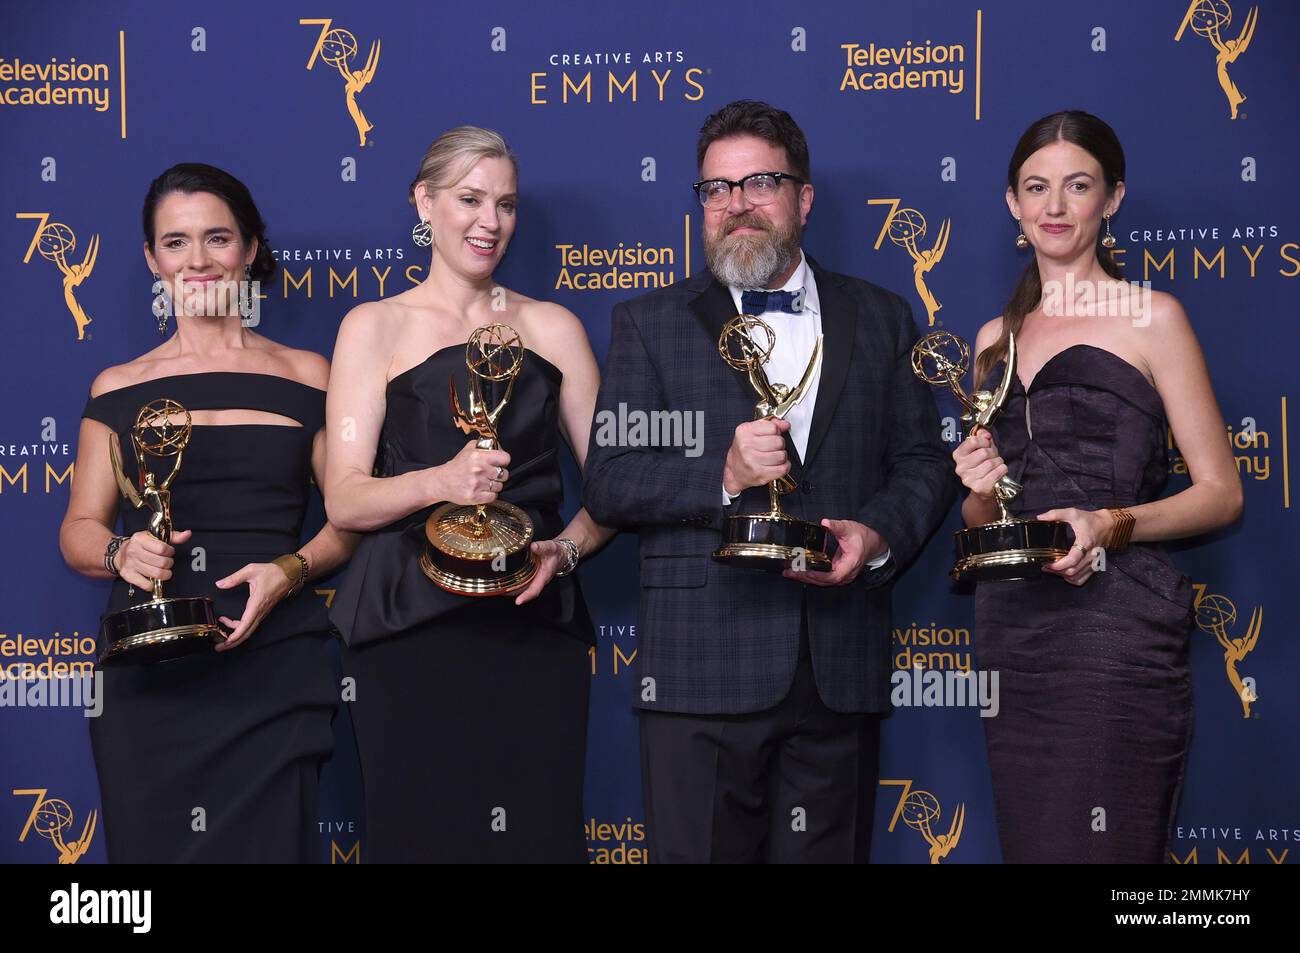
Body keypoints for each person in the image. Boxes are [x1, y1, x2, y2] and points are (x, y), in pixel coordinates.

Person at [582, 100, 956, 863]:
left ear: (804, 198)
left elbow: (923, 462)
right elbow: (610, 481)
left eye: (760, 182)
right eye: (716, 190)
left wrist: (876, 533)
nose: (736, 205)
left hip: (837, 668)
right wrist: (718, 474)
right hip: (700, 673)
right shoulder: (648, 322)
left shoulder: (883, 317)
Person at [954, 110, 1244, 863]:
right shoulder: (992, 339)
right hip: (1011, 630)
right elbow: (984, 518)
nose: (1054, 207)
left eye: (1076, 186)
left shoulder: (1154, 318)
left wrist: (1106, 522)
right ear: (1012, 203)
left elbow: (1220, 492)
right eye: (1036, 187)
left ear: (1111, 199)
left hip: (1113, 624)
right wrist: (980, 487)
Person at [324, 126, 613, 863]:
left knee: (537, 835)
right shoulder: (373, 325)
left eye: (506, 204)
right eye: (469, 199)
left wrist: (566, 551)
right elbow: (346, 499)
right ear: (424, 202)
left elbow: (615, 487)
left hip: (530, 622)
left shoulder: (554, 327)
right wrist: (442, 482)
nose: (490, 221)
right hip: (407, 627)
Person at [59, 163, 357, 862]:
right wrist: (118, 553)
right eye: (175, 242)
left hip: (276, 661)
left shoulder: (310, 374)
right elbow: (79, 528)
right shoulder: (118, 387)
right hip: (152, 668)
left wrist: (289, 569)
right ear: (151, 258)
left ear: (250, 247)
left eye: (217, 238)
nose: (197, 260)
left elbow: (348, 516)